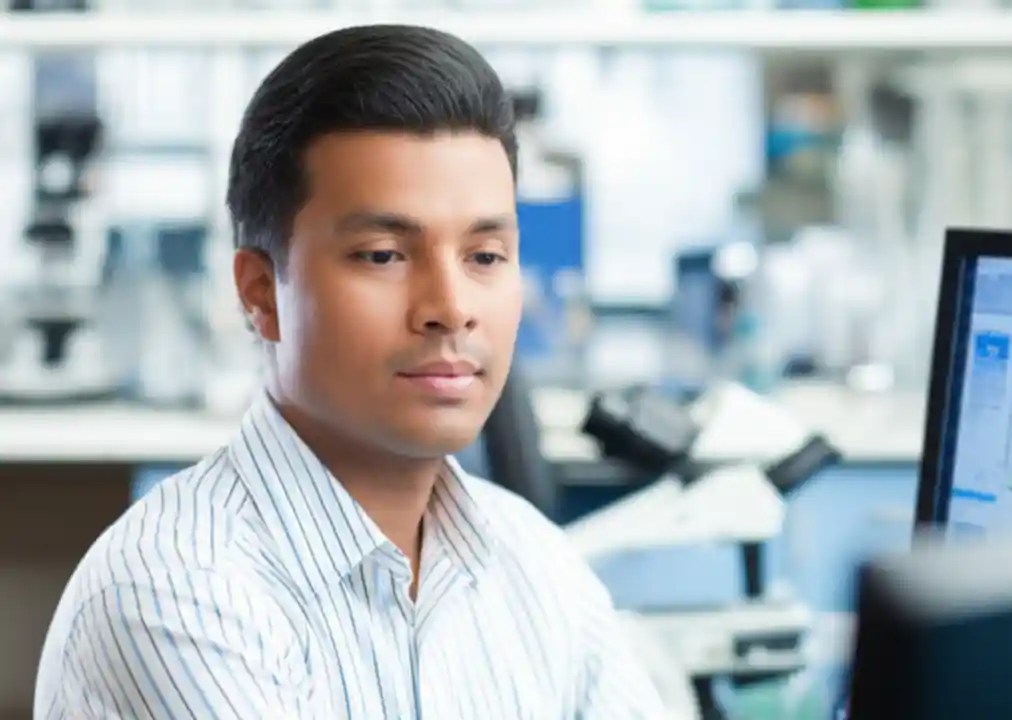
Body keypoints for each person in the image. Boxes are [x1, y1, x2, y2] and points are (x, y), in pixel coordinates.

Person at [35, 24, 664, 719]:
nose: (451, 309)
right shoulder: (177, 590)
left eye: (484, 257)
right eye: (383, 255)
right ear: (261, 293)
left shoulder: (537, 566)